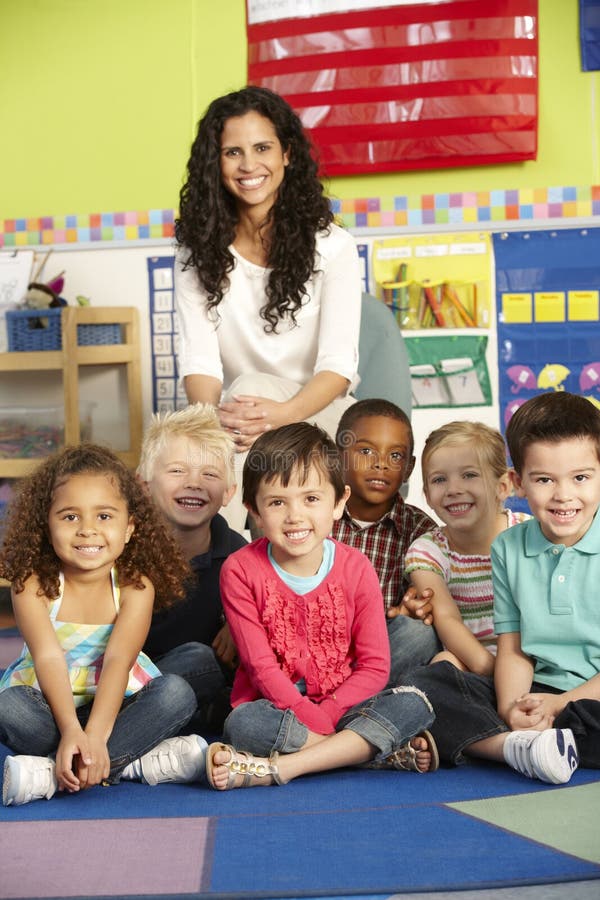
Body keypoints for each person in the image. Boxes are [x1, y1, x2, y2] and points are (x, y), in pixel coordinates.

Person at [204, 423, 438, 791]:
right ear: (255, 511)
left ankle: (284, 767)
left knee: (414, 704)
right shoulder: (240, 570)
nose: (295, 516)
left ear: (339, 502)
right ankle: (365, 752)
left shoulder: (356, 567)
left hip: (345, 703)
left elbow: (375, 667)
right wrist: (313, 718)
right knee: (243, 724)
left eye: (311, 498)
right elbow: (262, 669)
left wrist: (327, 713)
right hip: (275, 707)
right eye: (277, 502)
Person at [174, 85, 361, 530]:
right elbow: (200, 364)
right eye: (232, 152)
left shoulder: (333, 246)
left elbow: (337, 369)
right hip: (239, 419)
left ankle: (223, 551)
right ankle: (207, 557)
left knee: (249, 387)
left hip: (321, 417)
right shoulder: (195, 252)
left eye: (262, 148)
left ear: (287, 154)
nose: (248, 165)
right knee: (177, 450)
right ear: (215, 164)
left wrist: (278, 415)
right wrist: (211, 425)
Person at [399, 392, 600, 784]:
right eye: (544, 479)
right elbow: (514, 648)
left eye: (580, 478)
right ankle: (515, 745)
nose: (563, 495)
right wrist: (511, 707)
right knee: (426, 685)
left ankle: (531, 739)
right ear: (519, 483)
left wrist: (561, 704)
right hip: (538, 687)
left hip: (589, 697)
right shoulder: (508, 548)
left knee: (584, 715)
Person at [0, 444, 207, 807]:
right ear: (47, 525)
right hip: (51, 707)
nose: (87, 530)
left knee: (176, 693)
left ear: (129, 528)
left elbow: (117, 661)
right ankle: (132, 761)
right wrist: (71, 730)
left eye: (104, 516)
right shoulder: (31, 586)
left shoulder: (135, 587)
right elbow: (48, 657)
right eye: (70, 517)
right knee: (8, 707)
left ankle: (52, 772)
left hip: (117, 706)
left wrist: (94, 735)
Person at [137, 404, 246, 729]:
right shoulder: (119, 548)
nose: (194, 483)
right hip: (121, 676)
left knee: (202, 661)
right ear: (144, 485)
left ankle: (122, 730)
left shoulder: (241, 558)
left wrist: (241, 622)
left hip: (190, 679)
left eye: (209, 474)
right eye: (177, 471)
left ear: (228, 493)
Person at [404, 421, 528, 676]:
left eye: (469, 475)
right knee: (444, 662)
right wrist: (494, 673)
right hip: (475, 663)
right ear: (427, 495)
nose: (453, 490)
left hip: (530, 660)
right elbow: (447, 619)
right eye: (439, 479)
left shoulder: (529, 535)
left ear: (503, 486)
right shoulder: (428, 551)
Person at [332, 399, 440, 680]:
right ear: (338, 457)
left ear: (409, 468)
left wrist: (413, 610)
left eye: (395, 455)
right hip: (315, 641)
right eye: (366, 451)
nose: (381, 463)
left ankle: (351, 694)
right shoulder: (316, 513)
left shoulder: (421, 531)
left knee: (420, 635)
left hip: (379, 652)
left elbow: (425, 601)